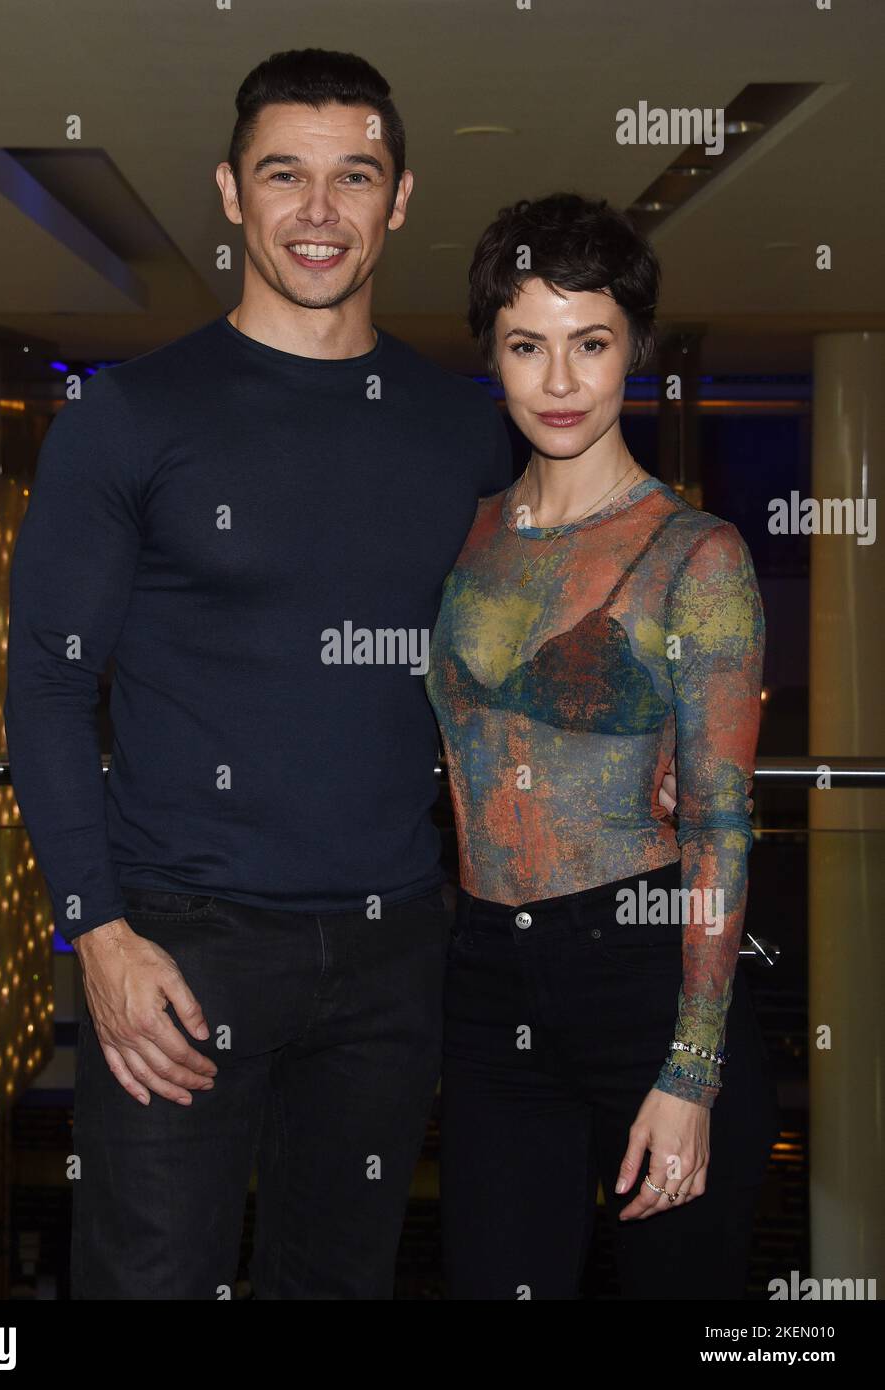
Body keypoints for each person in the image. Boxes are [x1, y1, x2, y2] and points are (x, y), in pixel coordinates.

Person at [4, 48, 520, 1300]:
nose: (319, 211)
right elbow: (49, 689)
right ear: (231, 193)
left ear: (398, 199)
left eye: (356, 176)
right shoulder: (131, 419)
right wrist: (98, 930)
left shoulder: (465, 426)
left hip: (396, 947)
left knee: (337, 1281)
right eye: (284, 175)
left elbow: (517, 652)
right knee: (150, 1280)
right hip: (183, 945)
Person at [426, 193, 779, 1299]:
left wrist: (693, 1070)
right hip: (486, 978)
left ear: (636, 349)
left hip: (646, 973)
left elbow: (721, 823)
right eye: (528, 345)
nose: (561, 380)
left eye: (591, 343)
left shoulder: (697, 554)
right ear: (494, 351)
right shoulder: (467, 530)